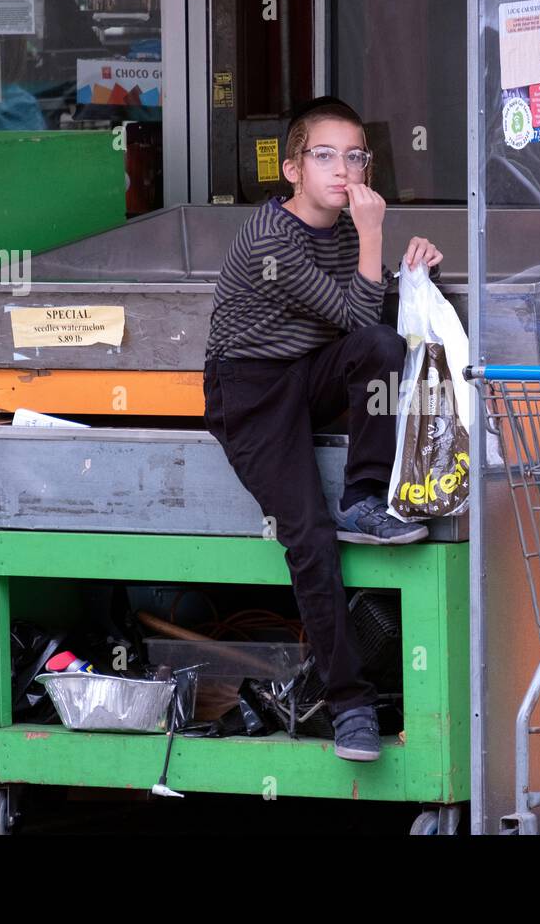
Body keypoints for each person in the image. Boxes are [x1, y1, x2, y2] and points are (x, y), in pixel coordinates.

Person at [203, 96, 443, 762]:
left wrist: (413, 267)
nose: (344, 170)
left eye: (357, 155)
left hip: (303, 372)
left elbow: (375, 324)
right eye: (325, 155)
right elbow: (355, 316)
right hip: (249, 391)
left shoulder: (340, 229)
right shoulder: (271, 237)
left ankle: (365, 498)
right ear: (291, 169)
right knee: (308, 537)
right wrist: (373, 238)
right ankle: (350, 705)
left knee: (385, 355)